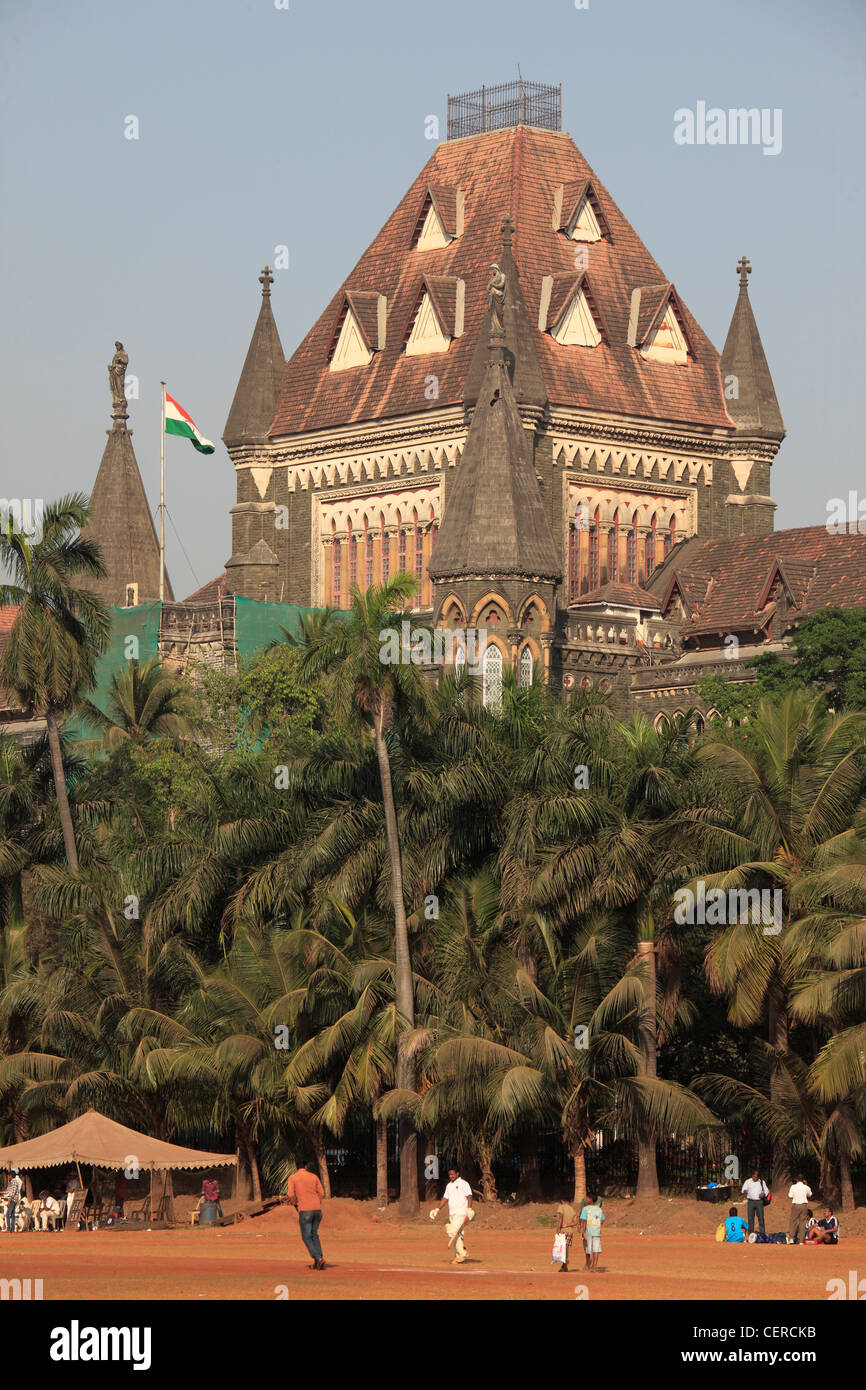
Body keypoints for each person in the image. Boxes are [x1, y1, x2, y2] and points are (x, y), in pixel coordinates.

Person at [286, 1158, 327, 1270]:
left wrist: (295, 1204)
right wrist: (317, 1203)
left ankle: (318, 1258)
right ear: (306, 1166)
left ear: (296, 1167)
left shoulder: (293, 1178)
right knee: (314, 1235)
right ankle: (318, 1261)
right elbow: (322, 1193)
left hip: (305, 1210)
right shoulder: (314, 1176)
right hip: (317, 1210)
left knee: (306, 1236)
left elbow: (290, 1194)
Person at [433, 1165, 474, 1265]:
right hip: (452, 1213)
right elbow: (445, 1198)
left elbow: (469, 1196)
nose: (451, 1176)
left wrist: (469, 1209)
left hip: (461, 1212)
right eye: (449, 1174)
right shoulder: (449, 1185)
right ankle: (458, 1256)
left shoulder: (464, 1183)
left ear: (457, 1174)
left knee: (455, 1233)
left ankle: (462, 1253)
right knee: (454, 1233)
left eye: (452, 1174)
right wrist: (437, 1209)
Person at [580, 1193, 605, 1272]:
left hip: (588, 1232)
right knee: (596, 1249)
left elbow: (583, 1221)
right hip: (597, 1232)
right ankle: (594, 1266)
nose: (586, 1200)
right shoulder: (599, 1209)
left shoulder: (585, 1209)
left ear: (590, 1199)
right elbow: (602, 1220)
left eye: (587, 1198)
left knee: (587, 1249)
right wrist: (597, 1224)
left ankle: (587, 1265)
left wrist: (583, 1232)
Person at [740, 1170, 769, 1237]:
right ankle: (751, 1234)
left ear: (758, 1177)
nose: (755, 1178)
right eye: (754, 1176)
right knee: (750, 1219)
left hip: (759, 1202)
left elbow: (767, 1191)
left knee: (761, 1218)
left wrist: (763, 1193)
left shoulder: (762, 1182)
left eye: (756, 1177)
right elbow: (743, 1189)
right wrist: (745, 1191)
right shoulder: (748, 1182)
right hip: (750, 1202)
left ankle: (762, 1234)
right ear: (752, 1176)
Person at [554, 1196, 578, 1272]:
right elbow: (575, 1222)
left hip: (563, 1231)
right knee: (566, 1248)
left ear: (562, 1200)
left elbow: (560, 1218)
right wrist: (568, 1225)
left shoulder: (561, 1207)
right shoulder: (573, 1210)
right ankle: (564, 1266)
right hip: (570, 1231)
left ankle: (565, 1263)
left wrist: (558, 1229)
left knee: (562, 1249)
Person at [787, 1174, 812, 1245]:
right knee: (802, 1223)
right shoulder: (806, 1187)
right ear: (803, 1180)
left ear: (797, 1180)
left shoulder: (793, 1187)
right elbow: (810, 1194)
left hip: (796, 1204)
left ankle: (791, 1238)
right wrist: (806, 1185)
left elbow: (790, 1196)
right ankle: (801, 1240)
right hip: (804, 1205)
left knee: (793, 1222)